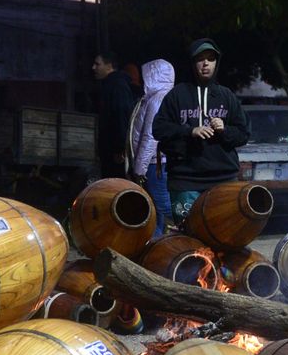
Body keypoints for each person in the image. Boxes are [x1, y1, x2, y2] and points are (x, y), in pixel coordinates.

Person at [152, 38, 249, 223]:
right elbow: (158, 129)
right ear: (192, 62)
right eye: (200, 59)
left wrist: (225, 129)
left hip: (224, 179)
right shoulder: (177, 95)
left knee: (225, 236)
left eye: (211, 59)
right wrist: (189, 131)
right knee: (191, 239)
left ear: (216, 63)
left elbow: (243, 134)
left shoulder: (226, 96)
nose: (205, 63)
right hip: (185, 181)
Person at [127, 59, 175, 235]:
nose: (141, 78)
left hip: (155, 164)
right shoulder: (152, 98)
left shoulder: (158, 100)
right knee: (156, 211)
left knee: (163, 207)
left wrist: (139, 168)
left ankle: (196, 233)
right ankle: (156, 246)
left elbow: (150, 136)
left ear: (154, 75)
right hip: (156, 163)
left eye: (145, 74)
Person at [93, 51, 135, 179]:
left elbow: (121, 115)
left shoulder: (117, 86)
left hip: (115, 153)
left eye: (97, 64)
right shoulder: (110, 85)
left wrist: (120, 148)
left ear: (109, 66)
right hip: (110, 150)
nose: (94, 68)